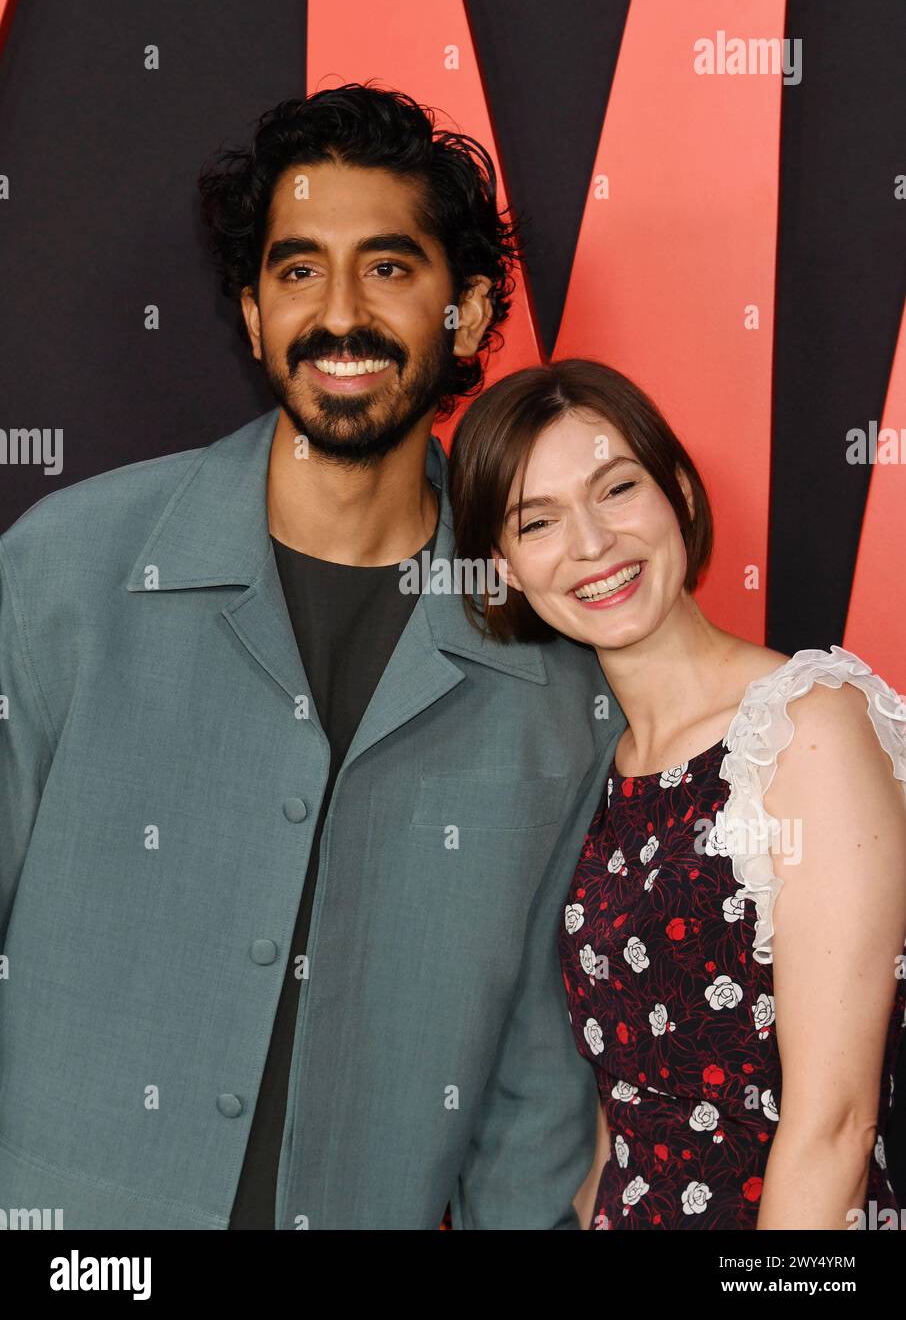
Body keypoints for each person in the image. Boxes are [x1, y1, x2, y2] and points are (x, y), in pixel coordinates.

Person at [0, 87, 625, 1230]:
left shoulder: (552, 671)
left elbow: (538, 1086)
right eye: (298, 272)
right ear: (250, 313)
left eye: (389, 269)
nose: (340, 313)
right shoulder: (64, 577)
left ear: (470, 310)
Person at [448, 357, 906, 1230]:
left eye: (616, 489)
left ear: (681, 497)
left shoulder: (809, 726)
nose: (591, 544)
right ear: (500, 570)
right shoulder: (601, 769)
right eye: (536, 521)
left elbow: (837, 1126)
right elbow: (620, 1111)